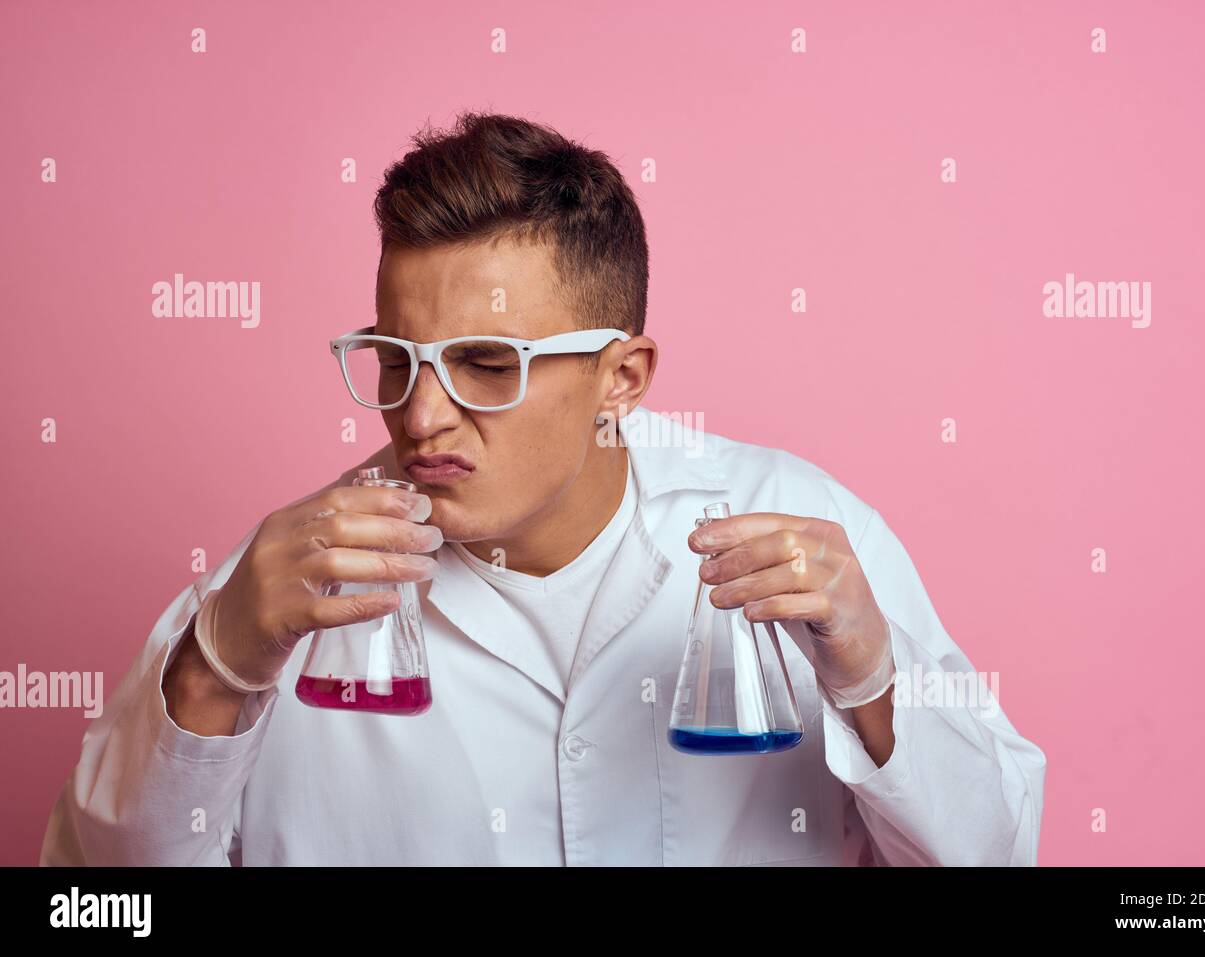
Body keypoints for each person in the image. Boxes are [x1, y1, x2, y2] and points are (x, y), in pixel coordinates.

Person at [40, 111, 1045, 866]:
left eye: (486, 361)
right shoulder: (281, 589)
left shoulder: (799, 534)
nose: (419, 416)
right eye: (396, 357)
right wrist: (213, 669)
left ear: (622, 378)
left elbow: (994, 852)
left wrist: (872, 682)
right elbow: (96, 901)